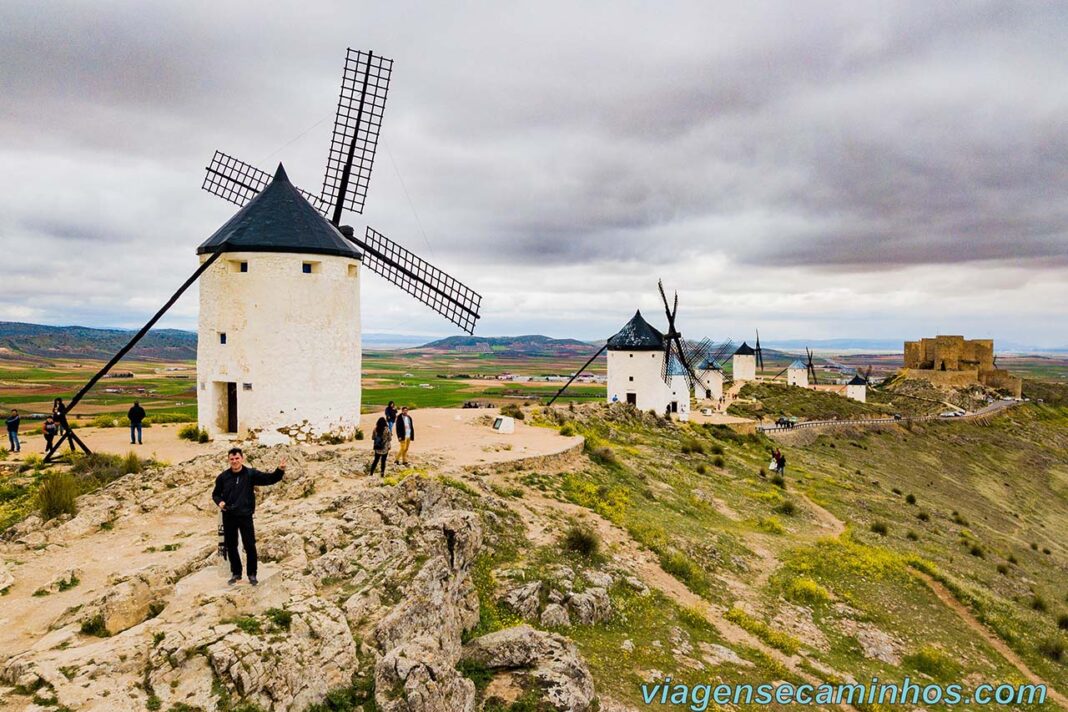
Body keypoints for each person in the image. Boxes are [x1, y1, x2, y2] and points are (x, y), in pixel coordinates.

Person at [211, 447, 286, 586]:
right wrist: (220, 502)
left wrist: (279, 470)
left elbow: (269, 479)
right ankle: (236, 573)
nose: (234, 461)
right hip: (228, 515)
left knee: (250, 545)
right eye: (232, 459)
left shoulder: (250, 474)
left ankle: (252, 574)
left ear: (242, 459)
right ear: (228, 460)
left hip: (245, 516)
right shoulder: (223, 477)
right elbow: (215, 494)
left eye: (237, 458)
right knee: (231, 546)